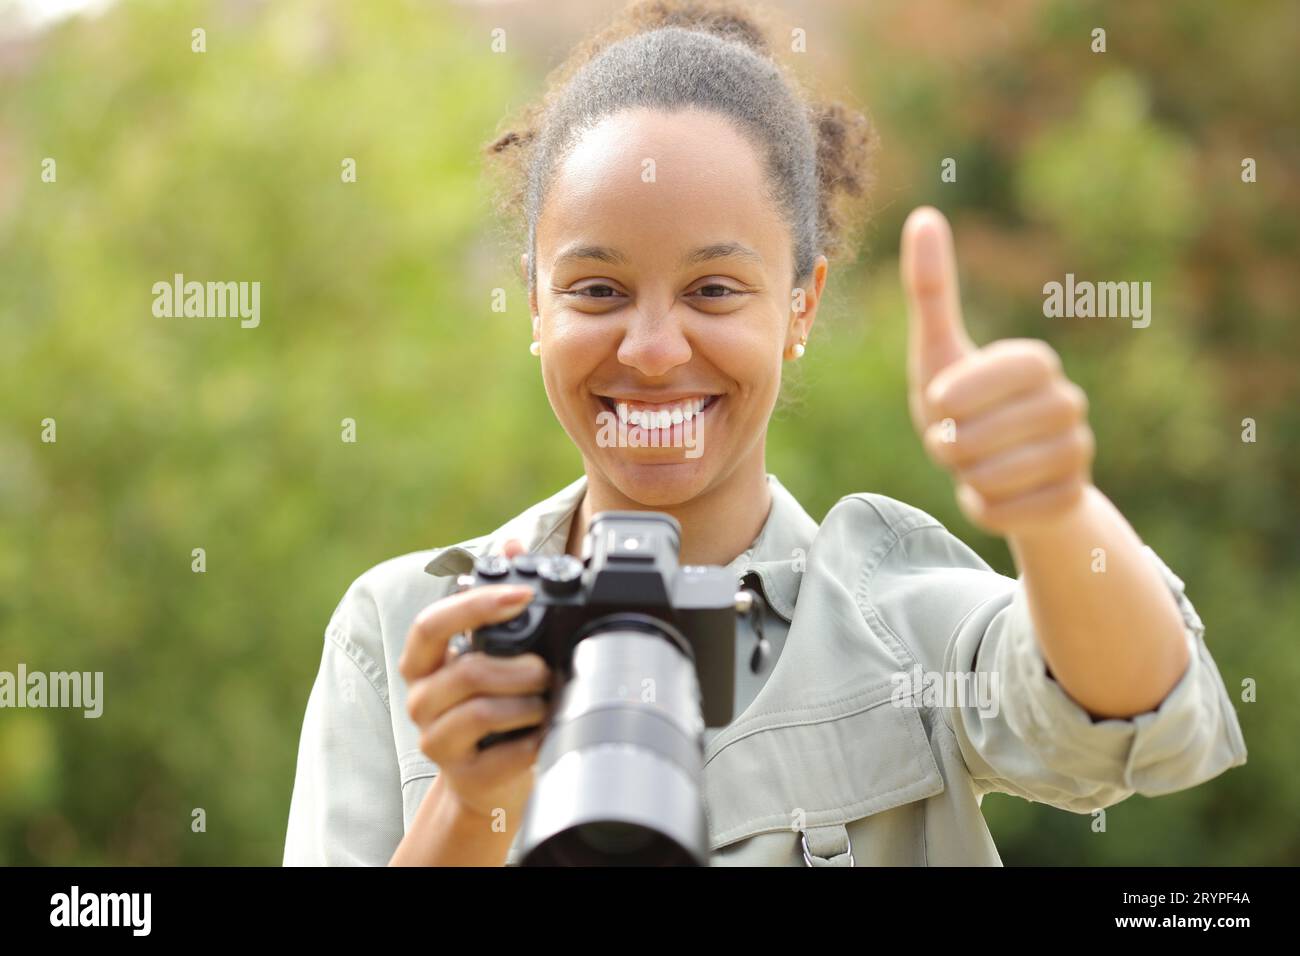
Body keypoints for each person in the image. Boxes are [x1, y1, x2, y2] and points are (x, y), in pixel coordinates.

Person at [282, 0, 1246, 867]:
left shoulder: (892, 618)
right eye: (597, 290)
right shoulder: (410, 630)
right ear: (535, 301)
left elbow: (1140, 722)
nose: (654, 350)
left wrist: (1055, 514)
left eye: (713, 290)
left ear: (801, 305)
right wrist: (474, 803)